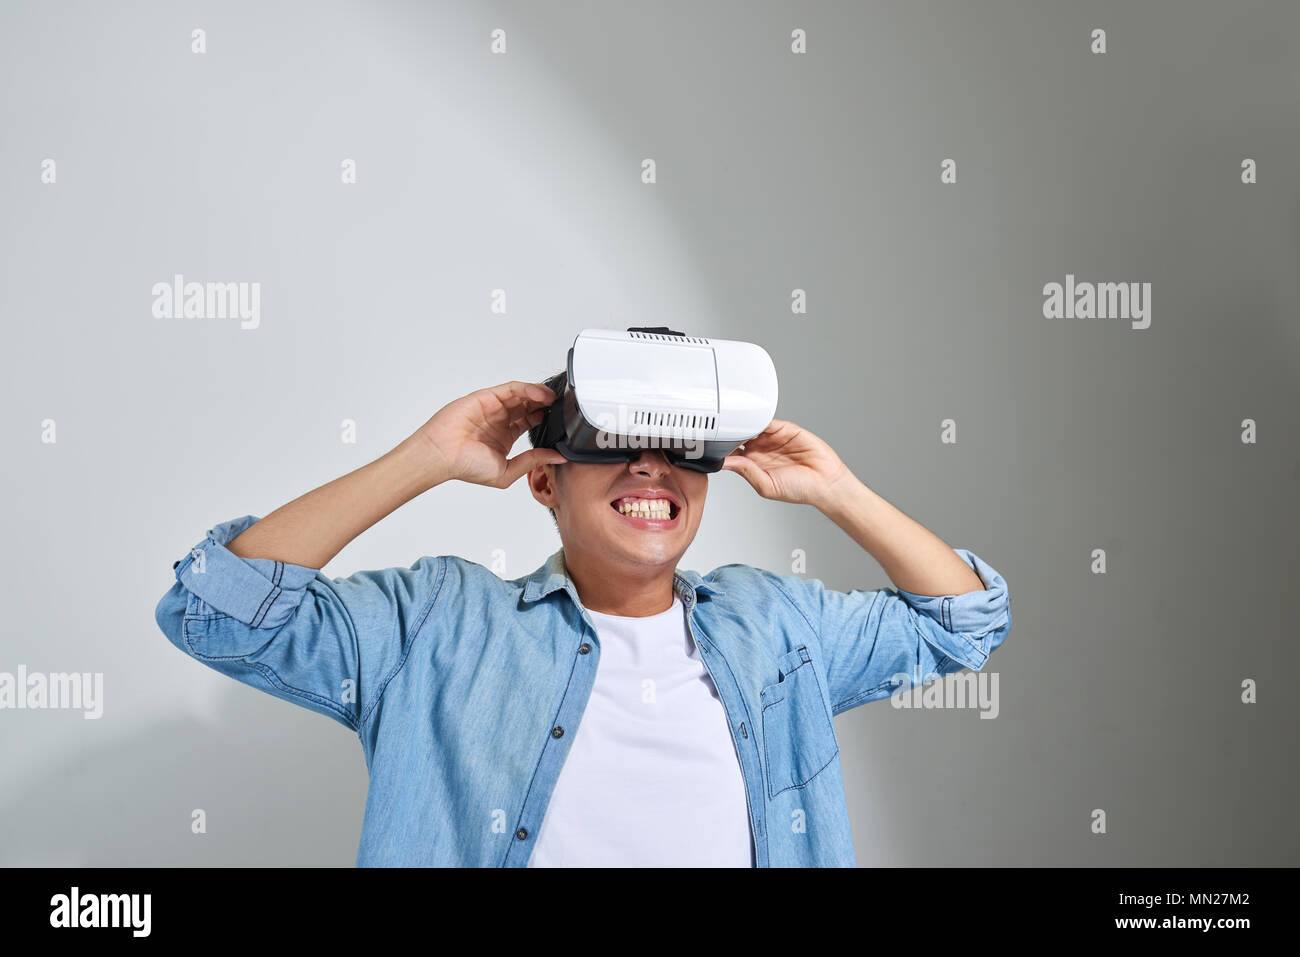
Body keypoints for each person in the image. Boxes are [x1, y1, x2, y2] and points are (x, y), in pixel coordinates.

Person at [155, 373, 1012, 867]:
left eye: (680, 444)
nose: (650, 464)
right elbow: (216, 610)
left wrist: (837, 490)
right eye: (610, 439)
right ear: (542, 480)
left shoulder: (777, 622)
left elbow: (963, 620)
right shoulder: (439, 626)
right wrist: (425, 459)